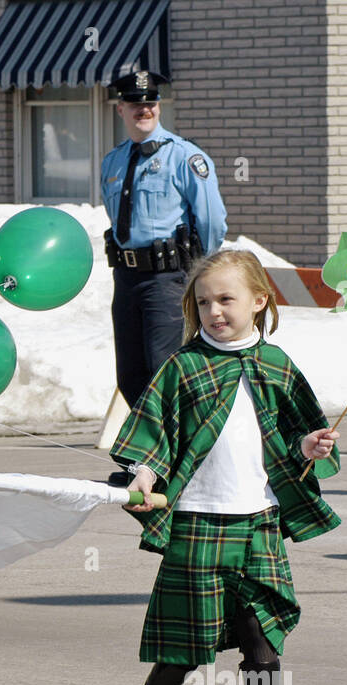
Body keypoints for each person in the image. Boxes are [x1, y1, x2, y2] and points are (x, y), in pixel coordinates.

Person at [110, 250, 340, 685]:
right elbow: (153, 435)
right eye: (204, 301)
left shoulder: (277, 364)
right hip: (197, 520)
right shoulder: (183, 366)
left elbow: (299, 436)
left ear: (260, 300)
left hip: (258, 522)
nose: (214, 310)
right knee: (189, 643)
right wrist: (142, 472)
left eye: (226, 299)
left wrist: (309, 446)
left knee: (263, 645)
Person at [101, 69, 228, 486]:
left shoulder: (185, 157)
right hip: (127, 277)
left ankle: (176, 465)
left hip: (168, 279)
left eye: (151, 102)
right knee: (131, 373)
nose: (145, 109)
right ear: (120, 108)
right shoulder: (115, 159)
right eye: (135, 104)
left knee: (164, 372)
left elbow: (211, 222)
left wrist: (196, 275)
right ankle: (146, 460)